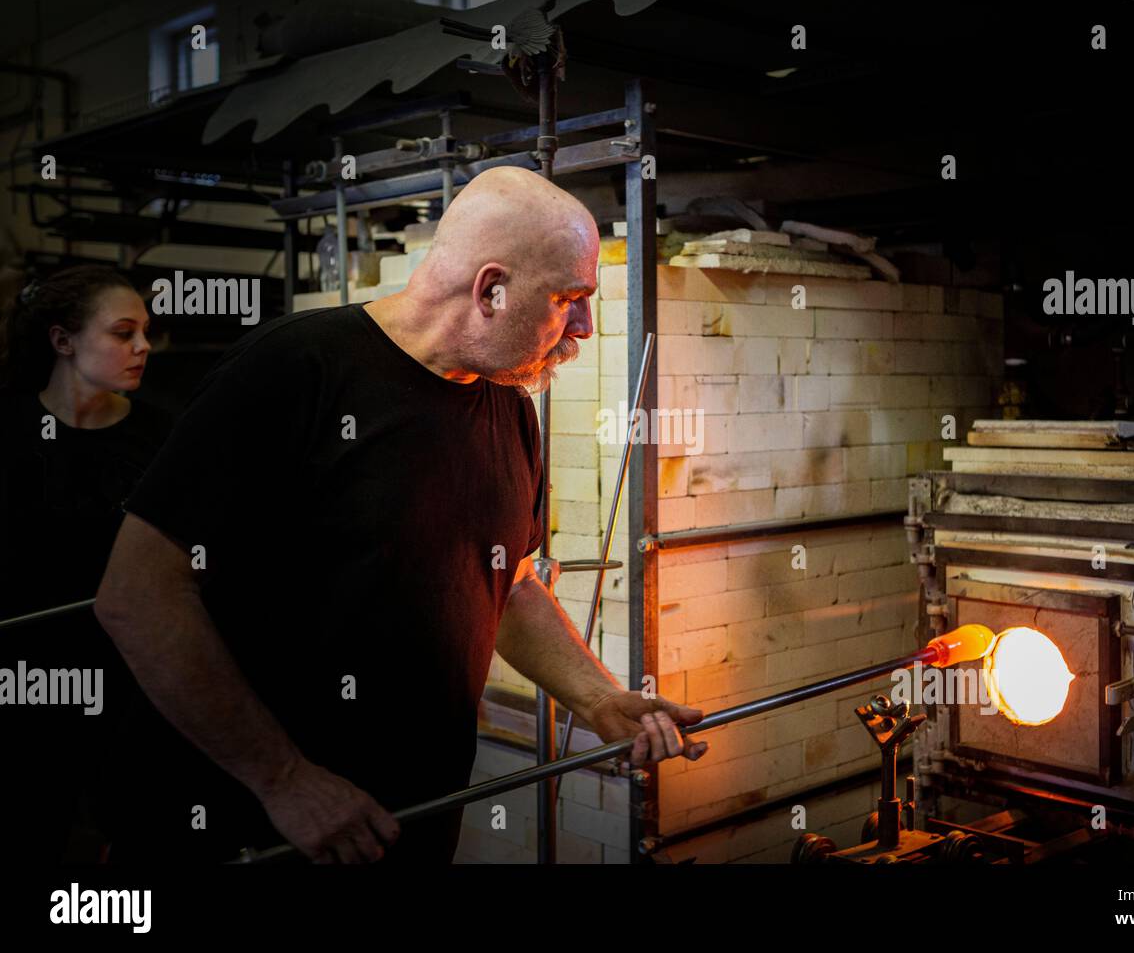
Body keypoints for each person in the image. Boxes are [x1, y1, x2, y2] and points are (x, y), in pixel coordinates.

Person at [94, 166, 710, 865]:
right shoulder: (296, 370)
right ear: (491, 289)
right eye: (569, 299)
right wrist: (285, 781)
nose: (585, 327)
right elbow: (137, 594)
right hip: (241, 825)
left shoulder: (509, 406)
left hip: (407, 820)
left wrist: (598, 698)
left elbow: (508, 585)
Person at [0, 265, 171, 862]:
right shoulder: (11, 434)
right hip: (27, 685)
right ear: (62, 341)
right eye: (124, 333)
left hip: (135, 682)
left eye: (145, 331)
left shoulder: (161, 435)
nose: (143, 346)